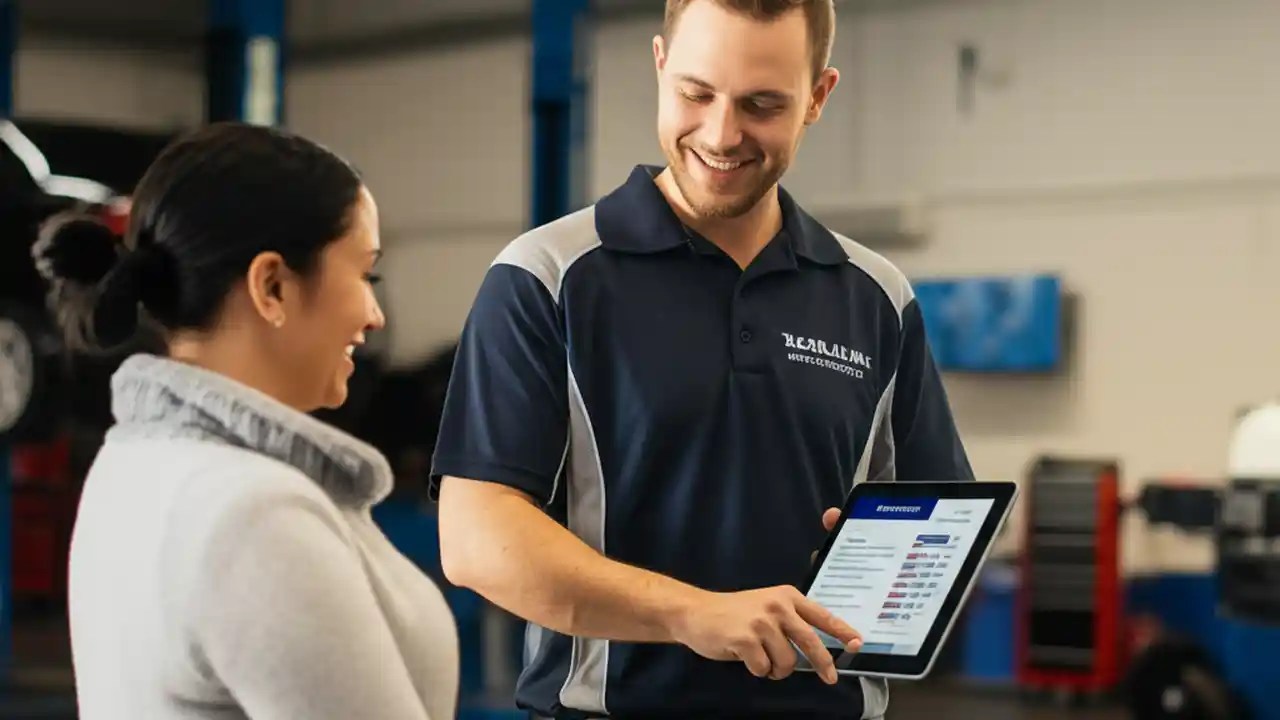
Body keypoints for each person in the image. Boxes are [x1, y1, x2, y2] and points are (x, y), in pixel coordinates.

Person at [430, 0, 973, 717]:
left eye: (761, 104)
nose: (721, 134)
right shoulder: (549, 277)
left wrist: (885, 561)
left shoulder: (876, 297)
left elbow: (945, 535)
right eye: (695, 93)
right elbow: (476, 538)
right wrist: (693, 614)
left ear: (818, 96)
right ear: (659, 65)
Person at [35, 123, 459, 720]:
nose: (374, 314)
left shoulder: (132, 461)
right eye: (366, 275)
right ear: (273, 286)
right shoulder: (255, 514)